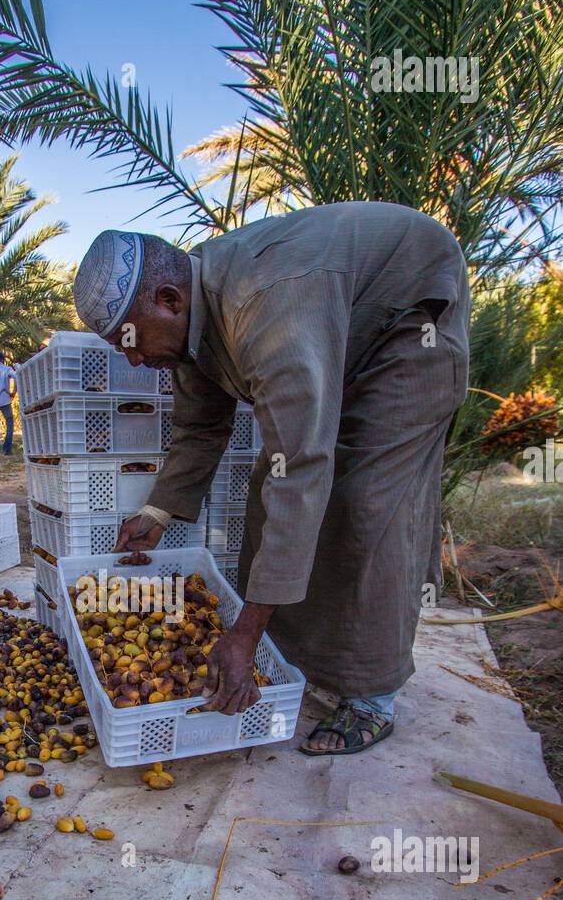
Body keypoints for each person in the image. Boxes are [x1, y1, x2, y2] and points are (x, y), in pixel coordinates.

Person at [72, 205, 470, 755]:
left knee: (369, 501)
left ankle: (372, 698)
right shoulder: (192, 318)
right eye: (122, 349)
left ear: (169, 299)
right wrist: (156, 513)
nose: (135, 359)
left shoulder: (265, 301)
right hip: (345, 335)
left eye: (132, 341)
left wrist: (243, 630)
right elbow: (199, 427)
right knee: (271, 489)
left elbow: (303, 464)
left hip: (409, 330)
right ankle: (289, 656)